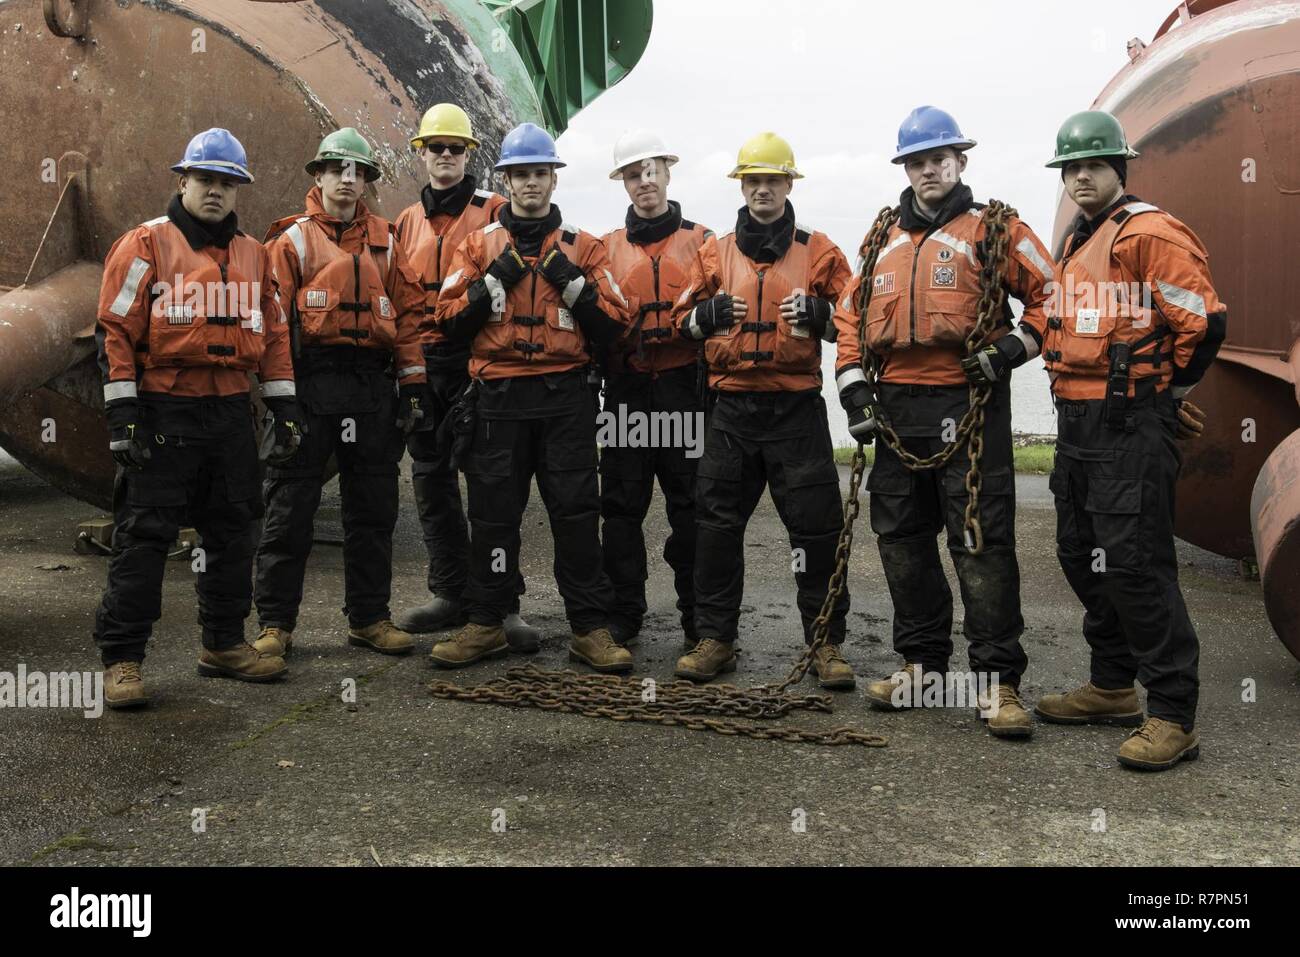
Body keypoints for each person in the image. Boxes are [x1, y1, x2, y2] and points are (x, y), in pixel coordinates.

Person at [833, 107, 1055, 737]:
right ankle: (922, 666)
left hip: (971, 405)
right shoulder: (881, 240)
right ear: (905, 168)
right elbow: (850, 320)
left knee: (980, 542)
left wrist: (1013, 349)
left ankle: (998, 680)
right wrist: (854, 392)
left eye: (939, 159)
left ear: (960, 162)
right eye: (917, 161)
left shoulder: (996, 230)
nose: (928, 170)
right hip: (897, 406)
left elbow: (1051, 296)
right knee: (902, 542)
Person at [1031, 110, 1226, 770]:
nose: (1080, 176)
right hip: (1076, 424)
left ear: (1120, 167)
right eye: (1071, 168)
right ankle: (1112, 686)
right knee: (1080, 552)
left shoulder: (1148, 232)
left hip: (1131, 426)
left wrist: (1168, 398)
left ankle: (1173, 714)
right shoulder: (1077, 243)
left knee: (1136, 565)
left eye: (1092, 165)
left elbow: (1204, 321)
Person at [93, 128, 299, 707]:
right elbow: (116, 331)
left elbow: (276, 335)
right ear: (183, 180)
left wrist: (284, 409)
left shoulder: (255, 255)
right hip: (166, 411)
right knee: (144, 536)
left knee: (233, 533)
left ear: (238, 190)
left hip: (232, 412)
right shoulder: (144, 246)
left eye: (226, 183)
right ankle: (124, 660)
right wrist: (123, 416)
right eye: (205, 180)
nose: (215, 191)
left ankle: (224, 644)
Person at [429, 123, 633, 673]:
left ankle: (590, 628)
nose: (531, 184)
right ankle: (487, 622)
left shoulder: (583, 248)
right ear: (508, 181)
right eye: (521, 175)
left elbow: (616, 323)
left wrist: (572, 284)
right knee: (493, 519)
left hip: (565, 400)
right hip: (497, 400)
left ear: (552, 178)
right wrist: (493, 279)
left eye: (540, 173)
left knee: (575, 515)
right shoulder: (478, 246)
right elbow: (445, 321)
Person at [671, 132, 854, 687]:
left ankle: (825, 644)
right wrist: (707, 315)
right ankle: (715, 639)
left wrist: (821, 313)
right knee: (715, 529)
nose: (762, 190)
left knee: (817, 532)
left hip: (795, 408)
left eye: (772, 180)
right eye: (753, 181)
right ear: (742, 186)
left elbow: (854, 319)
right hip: (731, 410)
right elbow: (682, 322)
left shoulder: (819, 250)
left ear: (788, 183)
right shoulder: (714, 251)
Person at [251, 128, 424, 659]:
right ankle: (275, 625)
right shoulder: (290, 242)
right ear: (319, 176)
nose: (348, 180)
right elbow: (273, 324)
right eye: (338, 170)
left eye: (358, 172)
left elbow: (411, 318)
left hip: (371, 390)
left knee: (373, 512)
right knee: (289, 510)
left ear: (367, 181)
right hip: (310, 388)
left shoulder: (389, 241)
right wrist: (281, 403)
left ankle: (370, 618)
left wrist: (413, 388)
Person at [392, 103, 540, 651]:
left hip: (478, 365)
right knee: (431, 480)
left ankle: (503, 605)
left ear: (468, 154)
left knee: (490, 485)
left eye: (456, 148)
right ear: (422, 154)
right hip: (422, 365)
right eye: (437, 148)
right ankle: (450, 592)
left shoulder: (498, 212)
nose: (446, 156)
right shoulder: (406, 222)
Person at [598, 129, 713, 647]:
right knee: (620, 509)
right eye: (632, 173)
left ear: (668, 171)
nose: (643, 180)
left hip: (683, 390)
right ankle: (624, 612)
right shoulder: (603, 250)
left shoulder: (705, 242)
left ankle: (697, 617)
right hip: (624, 392)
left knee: (690, 508)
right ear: (622, 183)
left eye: (651, 170)